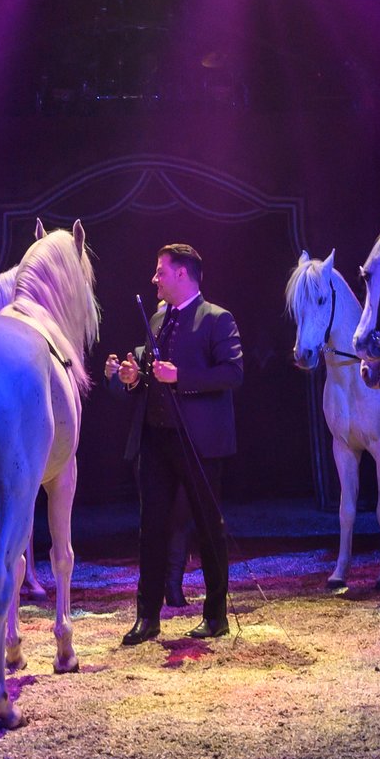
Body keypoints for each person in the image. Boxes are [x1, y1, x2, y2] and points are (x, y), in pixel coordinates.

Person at [103, 243, 243, 644]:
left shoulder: (217, 319)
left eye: (160, 272)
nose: (154, 279)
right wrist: (132, 378)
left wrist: (180, 376)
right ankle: (147, 617)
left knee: (208, 526)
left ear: (182, 274)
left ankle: (215, 616)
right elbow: (152, 377)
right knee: (151, 528)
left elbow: (232, 373)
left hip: (199, 443)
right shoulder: (158, 318)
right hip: (155, 439)